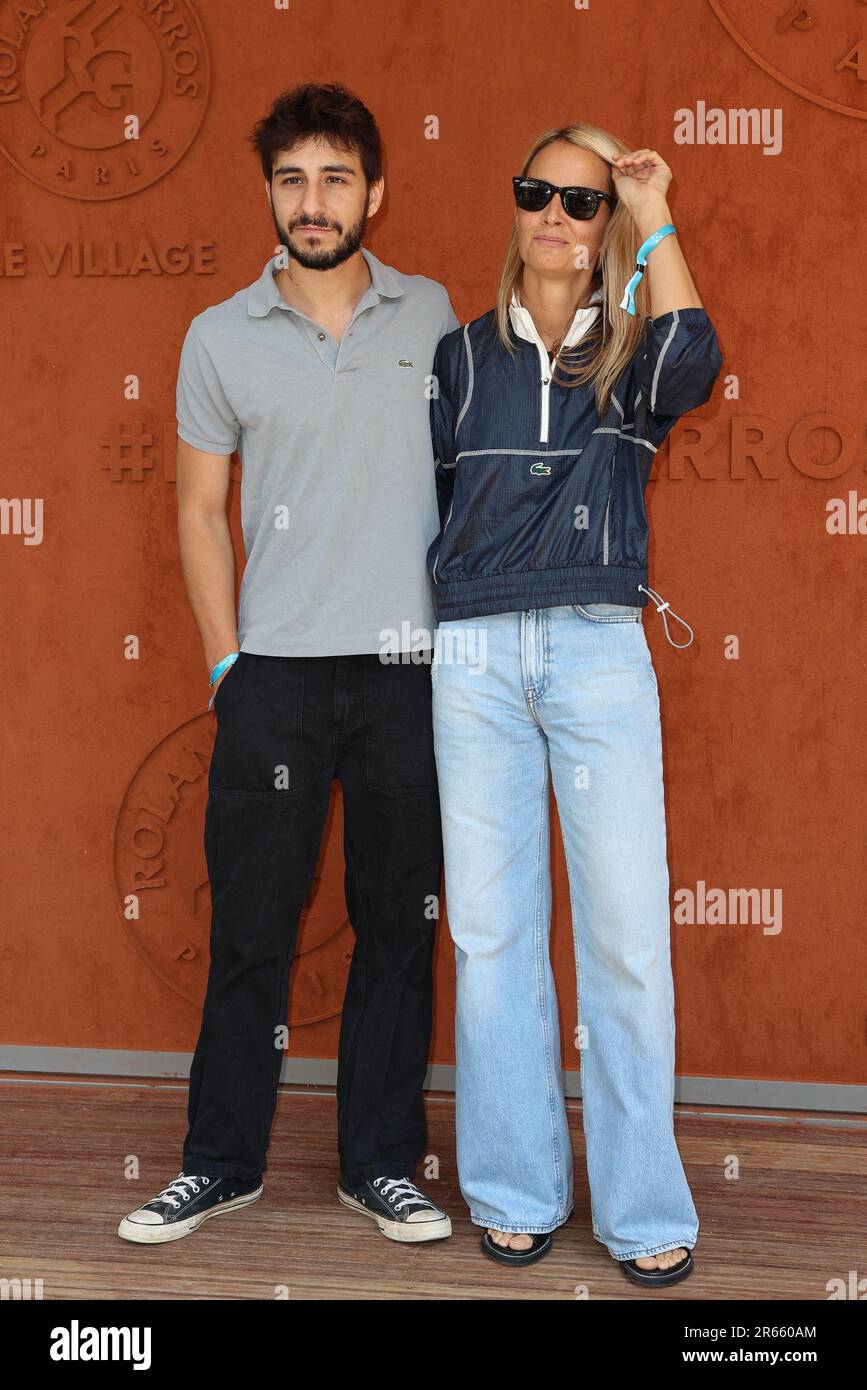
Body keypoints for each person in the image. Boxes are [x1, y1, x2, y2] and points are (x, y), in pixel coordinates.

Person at [117, 82, 457, 1247]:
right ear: (270, 192)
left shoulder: (434, 317)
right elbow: (199, 511)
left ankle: (381, 1163)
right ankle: (219, 1162)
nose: (313, 203)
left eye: (336, 178)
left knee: (396, 924)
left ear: (376, 189)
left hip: (410, 675)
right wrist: (228, 666)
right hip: (274, 679)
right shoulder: (218, 337)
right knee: (251, 926)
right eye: (292, 180)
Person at [427, 124, 723, 1287]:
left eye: (582, 201)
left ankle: (645, 1204)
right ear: (514, 208)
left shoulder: (636, 354)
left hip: (599, 652)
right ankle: (513, 1187)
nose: (556, 213)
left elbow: (699, 354)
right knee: (493, 936)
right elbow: (435, 510)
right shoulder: (456, 355)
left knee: (626, 938)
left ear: (605, 227)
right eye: (536, 192)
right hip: (477, 661)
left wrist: (653, 203)